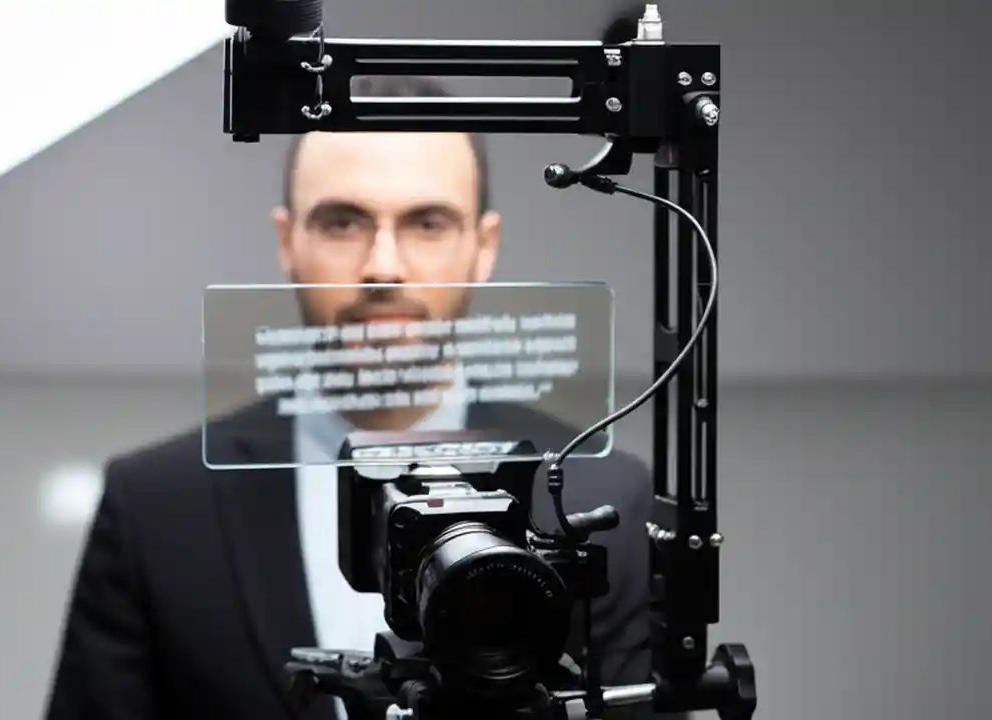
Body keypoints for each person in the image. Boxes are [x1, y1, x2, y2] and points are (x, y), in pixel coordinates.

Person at [45, 77, 660, 720]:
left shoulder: (602, 496)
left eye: (428, 222)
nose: (383, 266)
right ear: (288, 243)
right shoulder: (155, 508)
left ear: (484, 247)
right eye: (342, 222)